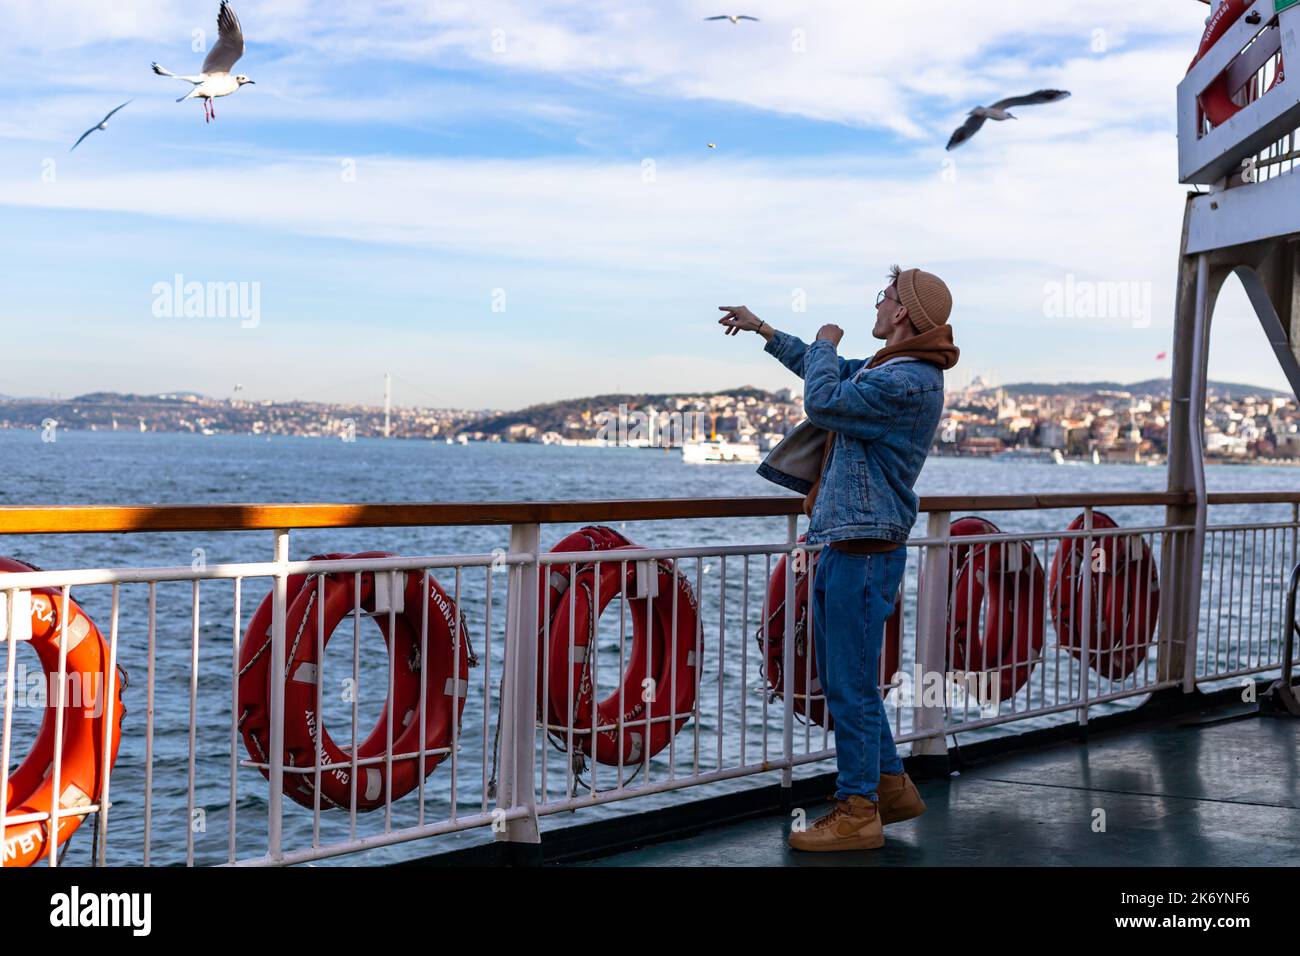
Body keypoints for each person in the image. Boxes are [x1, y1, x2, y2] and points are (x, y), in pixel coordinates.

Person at [717, 266, 960, 851]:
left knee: (849, 688)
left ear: (901, 311)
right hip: (847, 542)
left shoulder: (907, 381)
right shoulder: (887, 370)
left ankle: (857, 811)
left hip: (863, 548)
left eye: (885, 297)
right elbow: (819, 374)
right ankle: (891, 784)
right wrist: (765, 330)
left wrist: (827, 340)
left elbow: (824, 398)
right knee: (851, 680)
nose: (876, 306)